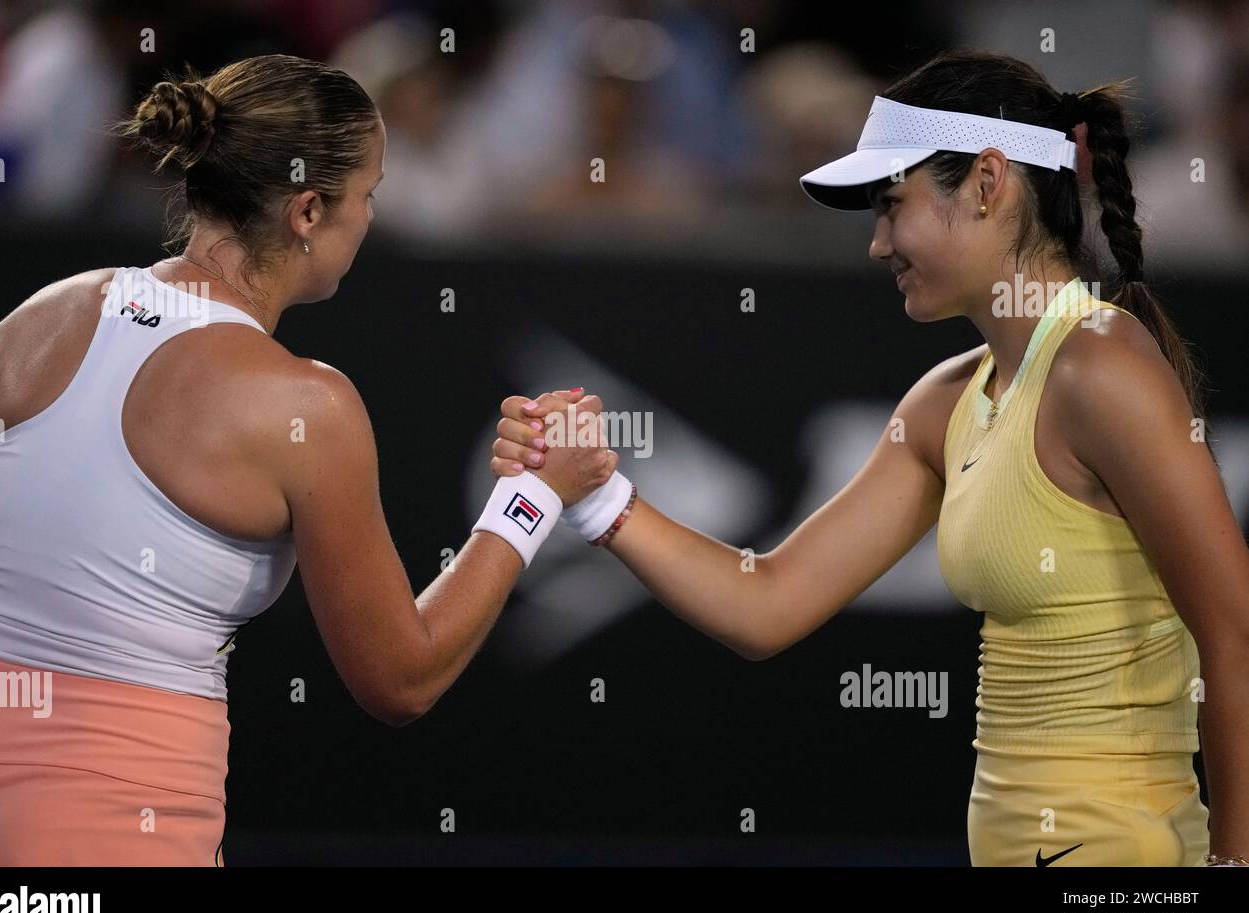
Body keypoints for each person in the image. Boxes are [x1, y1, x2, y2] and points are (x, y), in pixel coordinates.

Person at [490, 50, 1249, 866]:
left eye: (893, 205)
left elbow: (1235, 632)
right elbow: (768, 604)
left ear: (988, 184)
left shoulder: (1103, 365)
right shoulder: (944, 402)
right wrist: (598, 495)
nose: (877, 244)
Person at [0, 54, 618, 866]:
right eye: (367, 194)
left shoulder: (44, 316)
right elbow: (401, 680)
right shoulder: (308, 407)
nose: (370, 218)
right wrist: (533, 495)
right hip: (104, 832)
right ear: (308, 210)